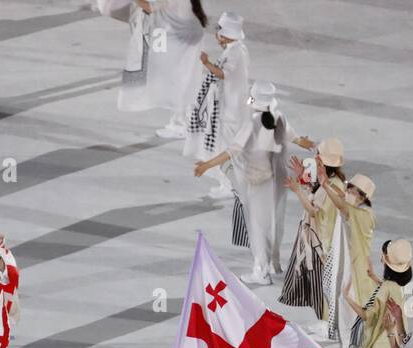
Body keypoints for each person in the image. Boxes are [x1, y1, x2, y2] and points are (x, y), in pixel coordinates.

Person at [193, 80, 291, 283]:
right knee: (272, 223)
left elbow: (231, 152)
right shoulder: (279, 118)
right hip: (275, 180)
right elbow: (294, 138)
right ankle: (274, 265)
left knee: (257, 227)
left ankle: (261, 271)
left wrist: (207, 165)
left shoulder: (251, 124)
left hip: (255, 182)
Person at [282, 139, 346, 336]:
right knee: (320, 281)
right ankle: (324, 320)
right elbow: (315, 191)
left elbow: (312, 208)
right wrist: (303, 176)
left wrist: (297, 190)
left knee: (322, 282)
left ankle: (327, 323)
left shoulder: (332, 186)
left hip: (321, 244)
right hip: (319, 240)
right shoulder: (332, 182)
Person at [117, 0, 207, 139]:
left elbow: (152, 7)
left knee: (181, 81)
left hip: (184, 36)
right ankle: (182, 122)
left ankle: (182, 125)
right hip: (186, 33)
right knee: (184, 79)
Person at [317, 165, 376, 348]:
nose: (348, 192)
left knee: (348, 324)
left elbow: (342, 206)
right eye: (349, 188)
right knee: (346, 323)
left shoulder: (361, 215)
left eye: (353, 190)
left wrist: (325, 184)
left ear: (362, 197)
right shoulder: (363, 211)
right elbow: (342, 200)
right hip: (351, 271)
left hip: (353, 276)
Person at [183, 13, 249, 199]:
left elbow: (223, 74)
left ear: (226, 35)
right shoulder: (237, 49)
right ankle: (227, 183)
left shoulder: (235, 52)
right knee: (224, 146)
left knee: (224, 148)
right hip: (234, 107)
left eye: (218, 32)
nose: (216, 35)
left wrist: (206, 63)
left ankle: (229, 186)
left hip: (230, 111)